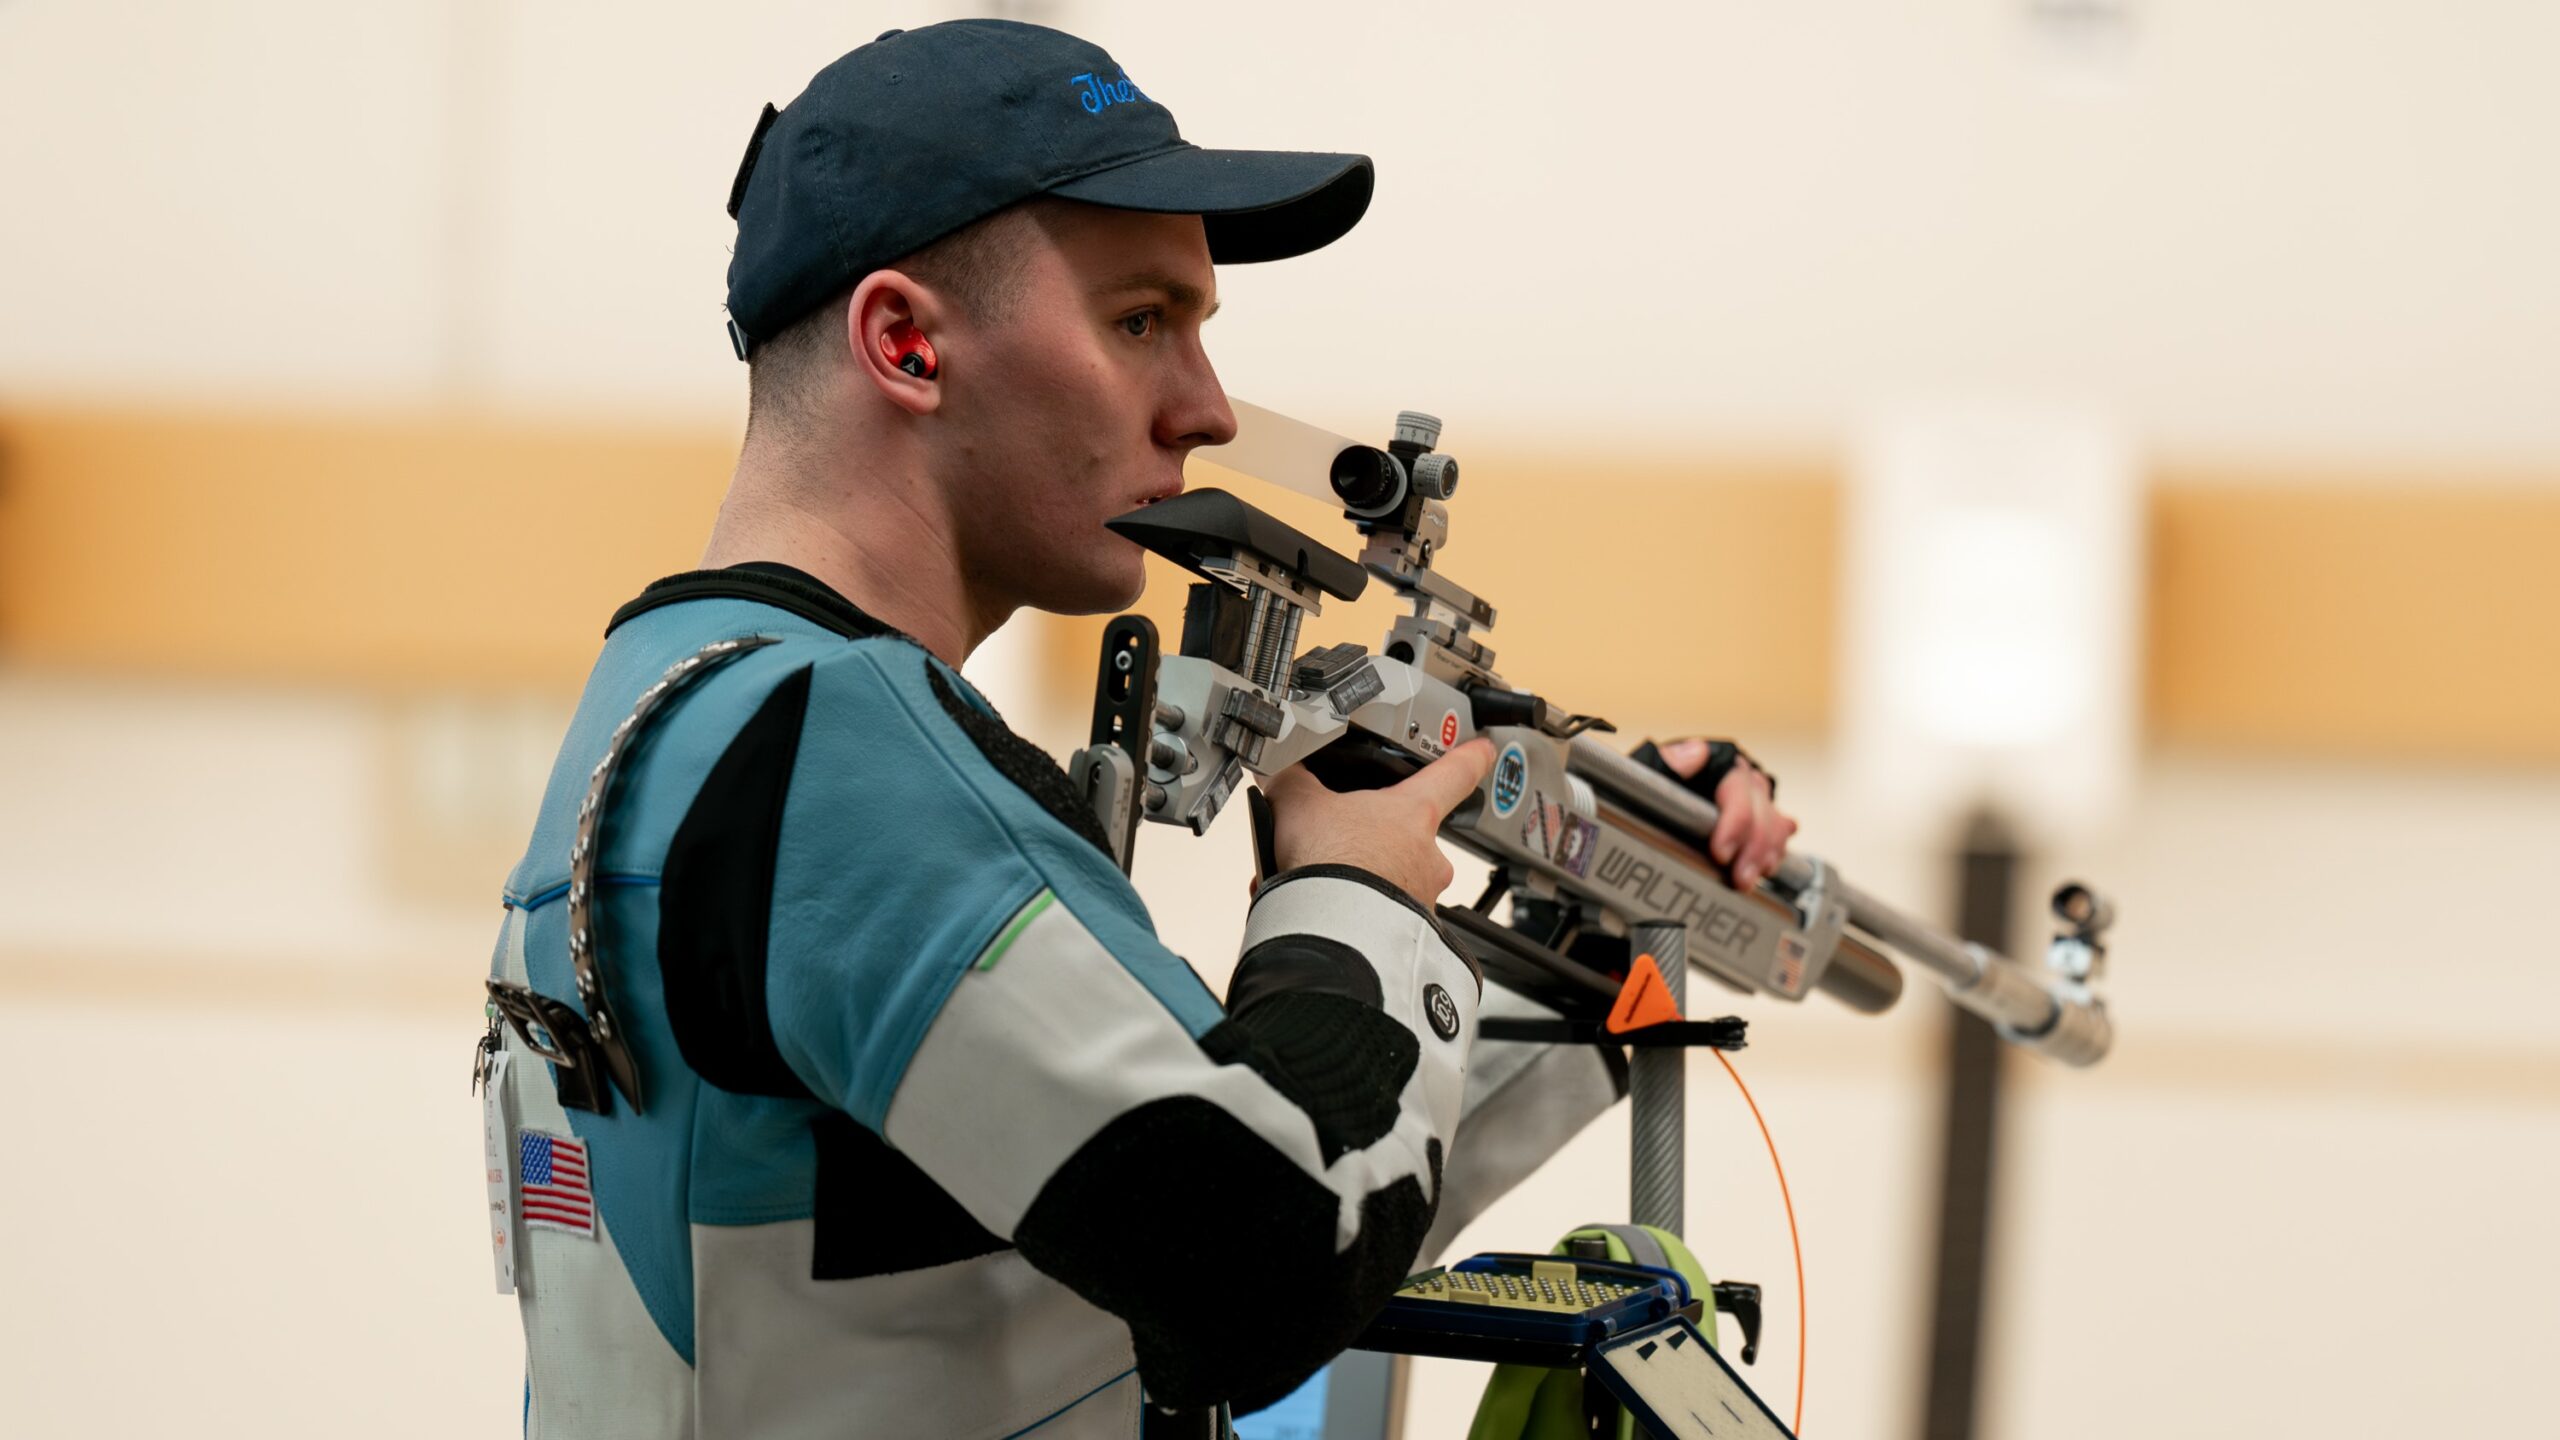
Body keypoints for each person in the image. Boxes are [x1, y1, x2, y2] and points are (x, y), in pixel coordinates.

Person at [478, 20, 1795, 1438]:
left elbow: (1170, 1206)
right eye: (1139, 321)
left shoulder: (680, 697)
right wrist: (1345, 896)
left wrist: (1596, 940)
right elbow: (1274, 1259)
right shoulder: (835, 744)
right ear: (907, 343)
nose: (1210, 410)